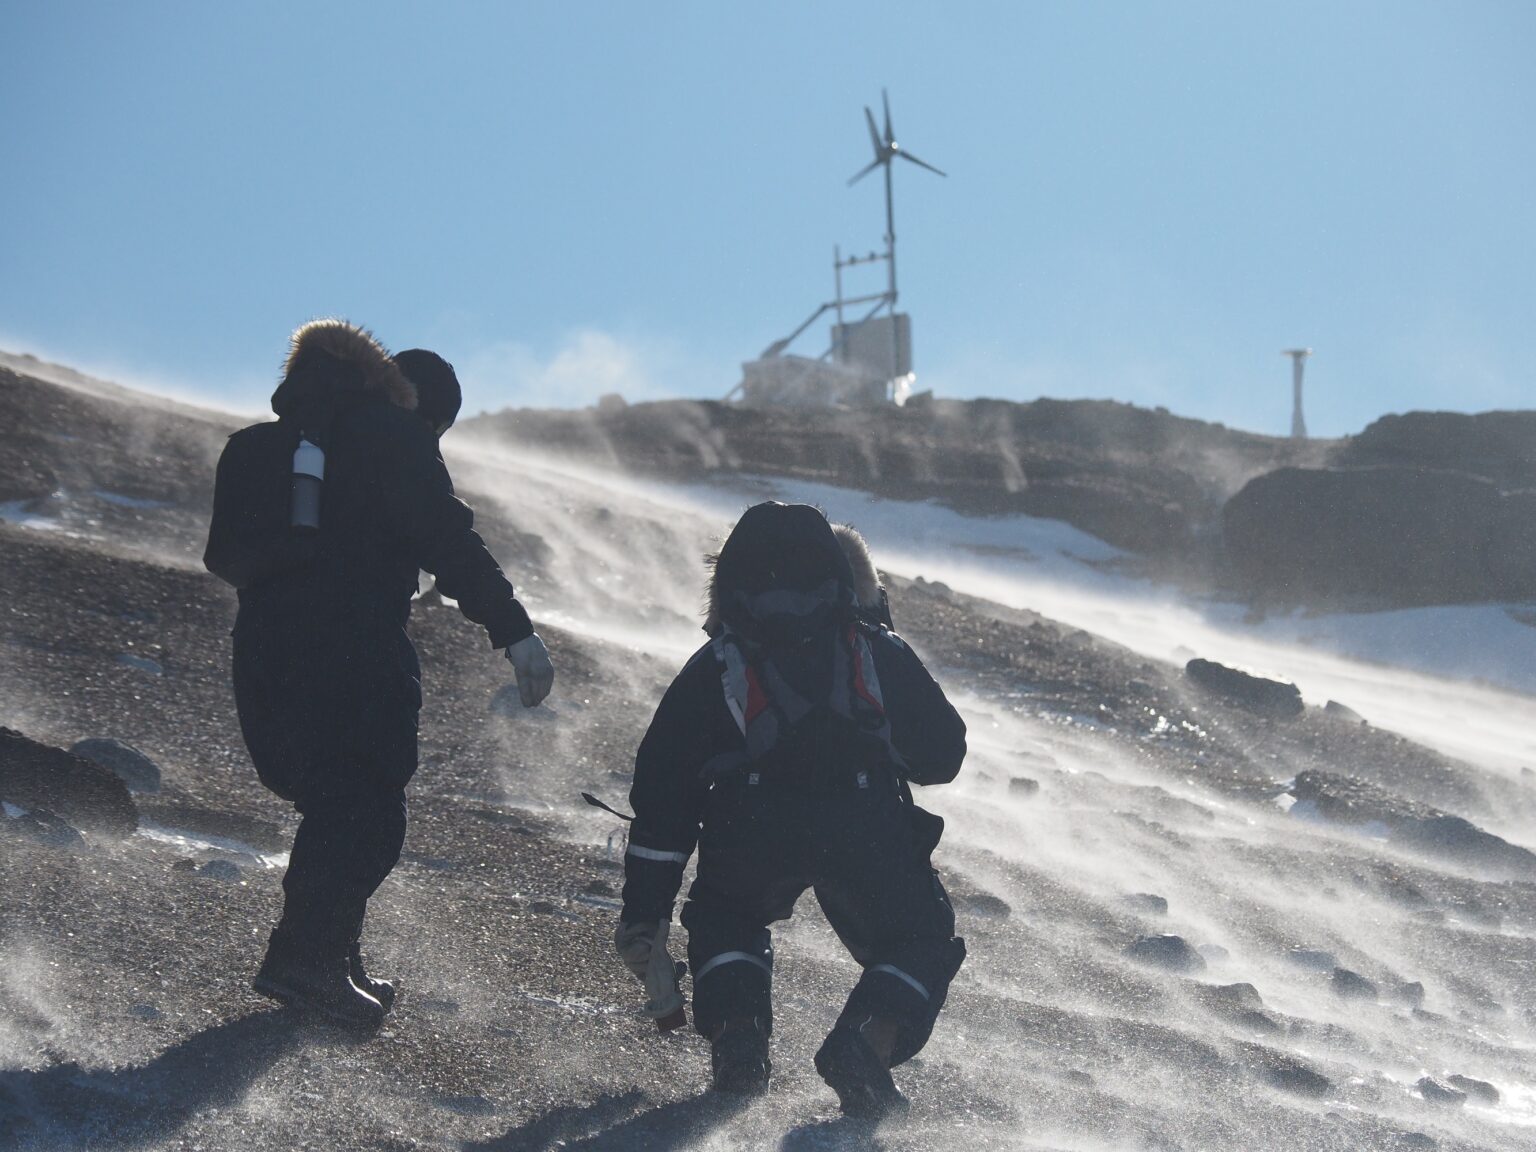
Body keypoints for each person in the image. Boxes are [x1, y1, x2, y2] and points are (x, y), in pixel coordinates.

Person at [204, 319, 554, 1028]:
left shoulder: (294, 439)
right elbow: (447, 538)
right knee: (367, 809)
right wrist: (515, 632)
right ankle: (305, 963)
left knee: (336, 804)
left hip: (265, 650)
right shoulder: (394, 437)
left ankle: (331, 958)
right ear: (427, 412)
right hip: (352, 649)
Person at [614, 502, 966, 1116]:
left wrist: (645, 913)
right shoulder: (874, 649)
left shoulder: (718, 663)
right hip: (864, 816)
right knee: (918, 938)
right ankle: (864, 1046)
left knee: (726, 916)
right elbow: (943, 755)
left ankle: (739, 1040)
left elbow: (665, 793)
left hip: (749, 818)